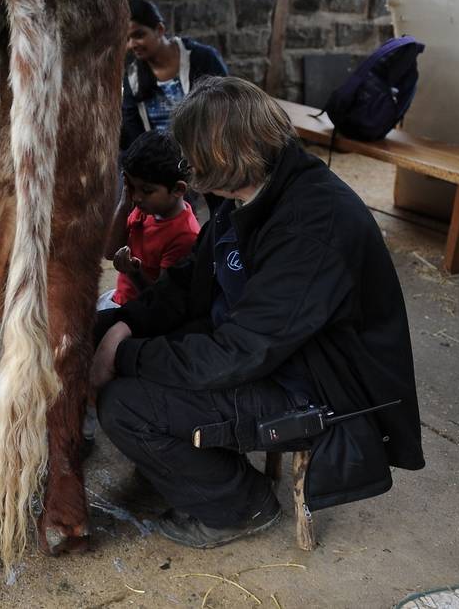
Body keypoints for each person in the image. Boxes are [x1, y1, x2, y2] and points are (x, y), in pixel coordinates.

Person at [90, 76, 424, 549]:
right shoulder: (247, 194)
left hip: (316, 388)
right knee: (99, 331)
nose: (185, 166)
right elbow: (187, 283)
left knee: (125, 405)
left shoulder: (313, 225)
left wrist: (124, 356)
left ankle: (240, 505)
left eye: (194, 156)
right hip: (265, 351)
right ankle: (192, 468)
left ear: (227, 155)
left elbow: (238, 354)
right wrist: (119, 326)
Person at [99, 130, 200, 311]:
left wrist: (133, 274)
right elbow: (110, 252)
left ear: (178, 189)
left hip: (140, 314)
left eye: (146, 190)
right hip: (120, 298)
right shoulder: (146, 209)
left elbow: (162, 301)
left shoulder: (184, 235)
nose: (136, 197)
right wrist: (123, 204)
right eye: (131, 187)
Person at [120, 0, 228, 152]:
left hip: (207, 152)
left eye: (139, 35)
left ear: (160, 29)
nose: (132, 45)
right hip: (160, 161)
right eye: (127, 39)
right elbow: (134, 135)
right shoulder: (132, 80)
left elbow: (226, 108)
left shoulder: (203, 59)